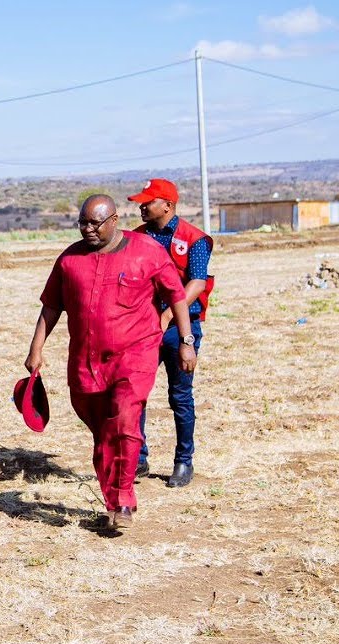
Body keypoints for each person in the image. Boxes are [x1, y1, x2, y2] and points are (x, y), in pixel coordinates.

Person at [24, 195, 196, 531]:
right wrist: (36, 347)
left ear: (114, 220)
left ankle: (123, 500)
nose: (88, 229)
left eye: (95, 223)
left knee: (126, 422)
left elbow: (176, 295)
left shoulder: (146, 251)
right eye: (83, 223)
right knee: (103, 433)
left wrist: (186, 342)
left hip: (136, 354)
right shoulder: (70, 259)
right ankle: (113, 497)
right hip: (86, 361)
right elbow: (51, 306)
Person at [127, 178, 215, 488]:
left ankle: (183, 461)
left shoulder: (194, 239)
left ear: (167, 205)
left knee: (179, 396)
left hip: (180, 328)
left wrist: (168, 317)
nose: (141, 206)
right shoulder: (134, 238)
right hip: (143, 329)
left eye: (148, 201)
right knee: (135, 395)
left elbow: (197, 282)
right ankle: (137, 459)